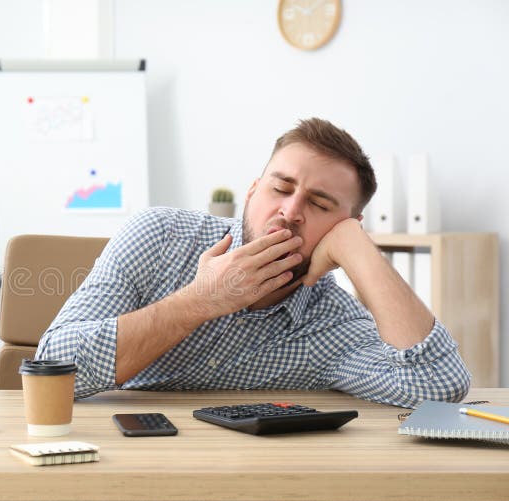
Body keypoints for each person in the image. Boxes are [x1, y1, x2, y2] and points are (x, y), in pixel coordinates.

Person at [35, 118, 470, 408]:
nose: (291, 212)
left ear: (346, 227)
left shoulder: (334, 326)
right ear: (252, 191)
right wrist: (200, 301)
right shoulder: (159, 236)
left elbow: (437, 385)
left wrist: (357, 250)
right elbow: (52, 367)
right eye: (280, 189)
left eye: (319, 204)